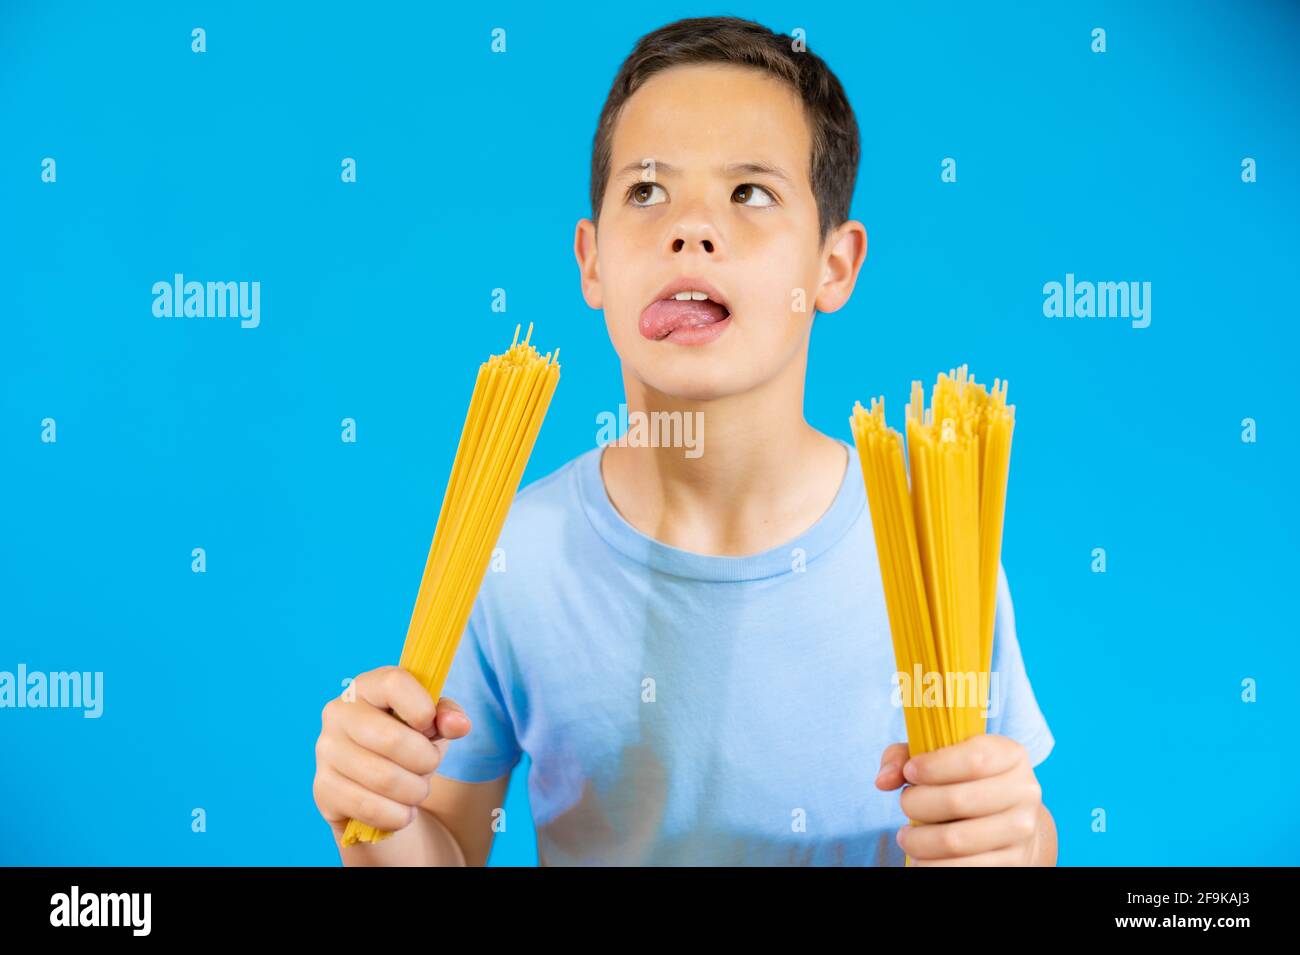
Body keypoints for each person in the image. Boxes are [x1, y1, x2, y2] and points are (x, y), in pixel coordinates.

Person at [313, 15, 1056, 866]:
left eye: (750, 193)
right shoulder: (511, 549)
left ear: (834, 267)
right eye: (646, 191)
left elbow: (1008, 827)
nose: (690, 230)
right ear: (591, 263)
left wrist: (1018, 839)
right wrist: (378, 812)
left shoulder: (930, 550)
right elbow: (446, 844)